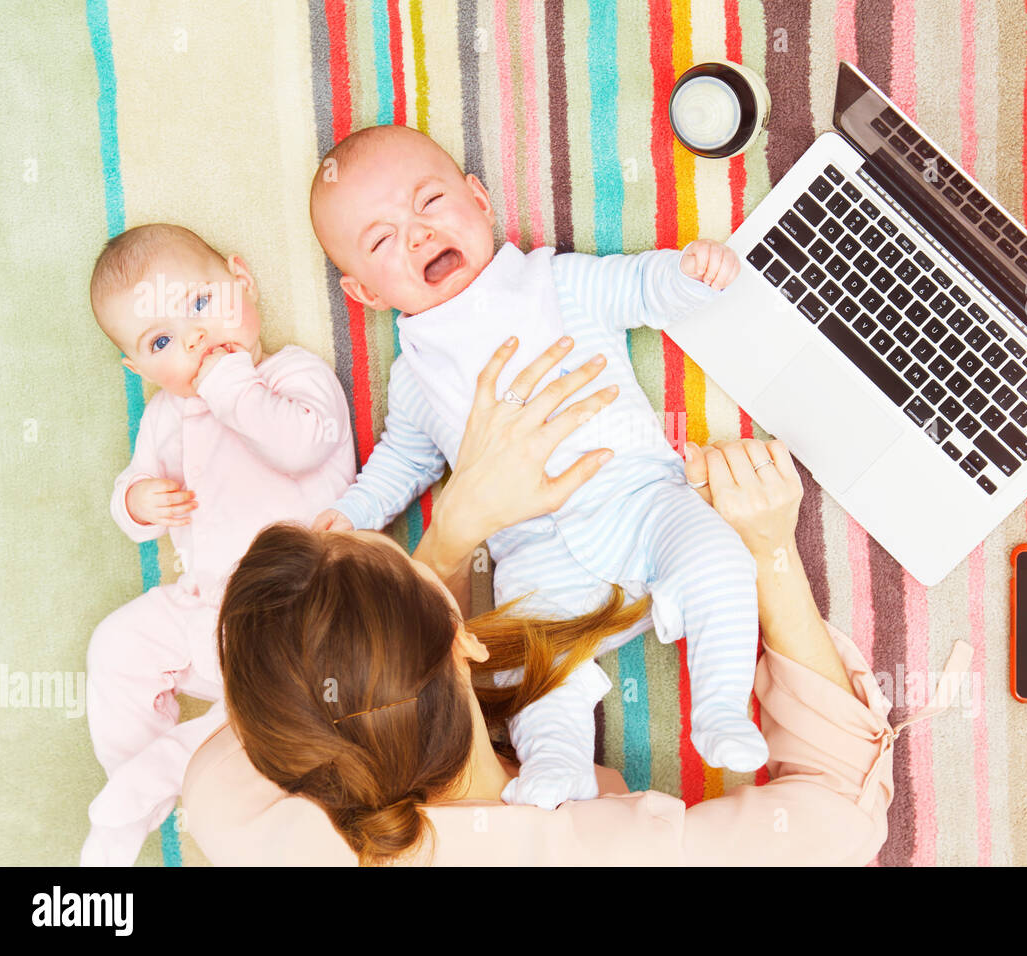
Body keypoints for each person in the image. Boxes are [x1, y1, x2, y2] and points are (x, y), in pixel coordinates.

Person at [180, 336, 972, 865]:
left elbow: (283, 723)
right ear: (464, 637)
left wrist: (452, 537)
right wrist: (766, 549)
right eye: (408, 551)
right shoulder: (607, 850)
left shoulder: (240, 817)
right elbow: (839, 815)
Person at [307, 124, 766, 810]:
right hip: (535, 552)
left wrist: (688, 274)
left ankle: (722, 707)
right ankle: (556, 762)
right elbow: (402, 461)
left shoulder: (557, 280)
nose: (416, 235)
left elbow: (639, 287)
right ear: (365, 294)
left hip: (641, 502)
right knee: (523, 666)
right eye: (380, 240)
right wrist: (353, 513)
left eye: (430, 203)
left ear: (480, 199)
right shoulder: (414, 378)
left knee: (721, 561)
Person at [82, 224, 357, 865]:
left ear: (242, 281)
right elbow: (135, 488)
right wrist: (137, 502)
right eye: (162, 340)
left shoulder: (294, 374)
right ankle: (143, 783)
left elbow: (302, 445)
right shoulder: (164, 417)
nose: (196, 340)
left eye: (201, 306)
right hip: (205, 608)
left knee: (239, 722)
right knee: (117, 648)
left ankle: (151, 789)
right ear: (140, 368)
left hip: (301, 609)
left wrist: (229, 385)